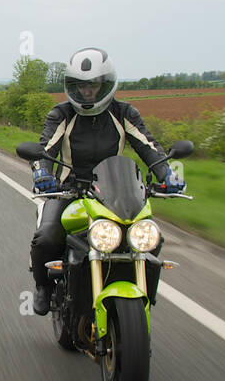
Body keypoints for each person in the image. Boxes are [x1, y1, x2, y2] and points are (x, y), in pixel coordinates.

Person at [28, 48, 177, 316]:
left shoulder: (124, 113)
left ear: (105, 84)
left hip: (114, 192)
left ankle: (140, 292)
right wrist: (42, 173)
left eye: (93, 85)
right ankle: (44, 287)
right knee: (46, 238)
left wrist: (168, 175)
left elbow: (149, 147)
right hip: (69, 192)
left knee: (149, 238)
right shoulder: (62, 114)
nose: (87, 92)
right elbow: (45, 149)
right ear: (72, 86)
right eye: (81, 86)